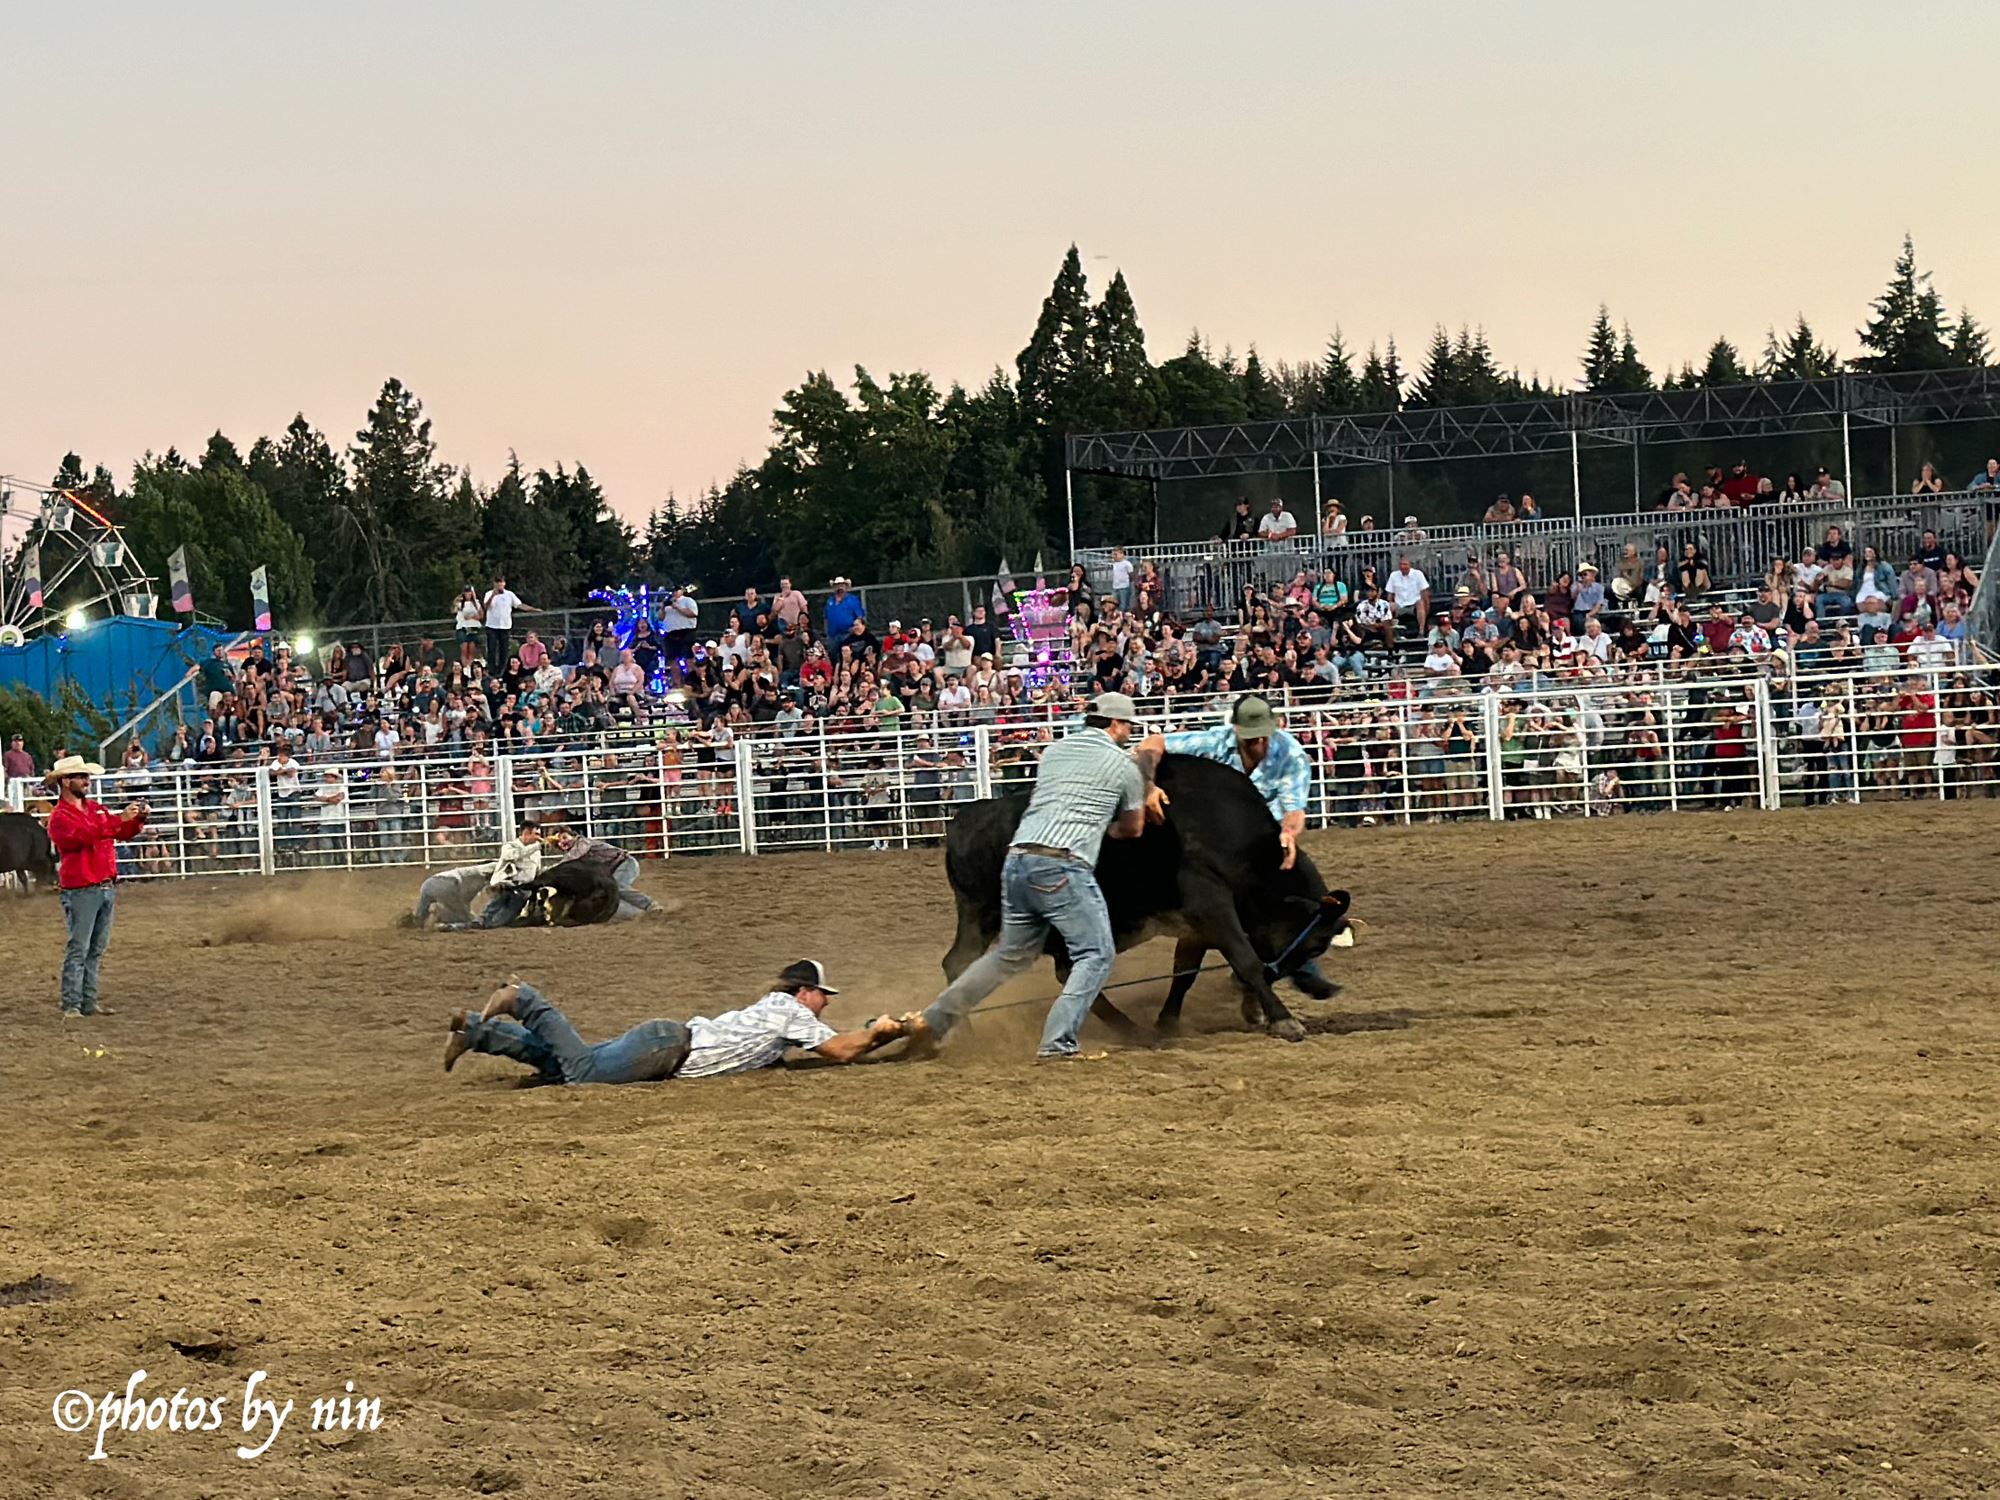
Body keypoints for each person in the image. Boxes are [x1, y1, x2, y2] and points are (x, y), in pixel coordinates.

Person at [906, 692, 1154, 1062]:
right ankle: (1058, 1042)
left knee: (1007, 956)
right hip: (1064, 864)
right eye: (1127, 726)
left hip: (1018, 859)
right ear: (1117, 724)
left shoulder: (1054, 752)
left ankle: (935, 1020)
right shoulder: (1123, 765)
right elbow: (1133, 829)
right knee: (1096, 954)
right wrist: (1107, 829)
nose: (1128, 732)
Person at [443, 960, 905, 1084]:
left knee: (563, 1066)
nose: (825, 1004)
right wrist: (887, 1031)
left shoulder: (775, 1012)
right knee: (583, 1075)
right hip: (667, 1050)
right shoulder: (791, 1013)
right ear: (805, 992)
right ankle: (525, 1000)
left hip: (668, 1041)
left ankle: (480, 1032)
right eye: (823, 995)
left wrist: (879, 1032)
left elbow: (842, 1043)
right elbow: (841, 1049)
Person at [45, 755, 148, 1018]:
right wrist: (119, 820)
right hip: (83, 888)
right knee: (81, 948)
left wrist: (136, 820)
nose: (86, 781)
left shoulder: (94, 811)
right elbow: (85, 836)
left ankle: (85, 1003)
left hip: (100, 885)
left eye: (85, 776)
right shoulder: (59, 818)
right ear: (66, 782)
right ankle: (73, 1003)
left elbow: (118, 832)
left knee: (93, 948)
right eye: (81, 777)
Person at [404, 861, 499, 931]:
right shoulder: (482, 873)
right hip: (448, 884)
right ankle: (441, 916)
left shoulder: (474, 876)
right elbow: (464, 901)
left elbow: (464, 901)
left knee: (419, 919)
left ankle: (410, 922)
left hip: (429, 884)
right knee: (468, 921)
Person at [481, 574, 535, 677]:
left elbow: (519, 605)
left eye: (501, 582)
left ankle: (501, 671)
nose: (499, 584)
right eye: (497, 582)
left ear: (504, 583)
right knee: (491, 649)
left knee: (504, 650)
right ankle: (492, 671)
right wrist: (494, 595)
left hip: (505, 627)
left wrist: (533, 609)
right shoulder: (489, 594)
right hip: (492, 626)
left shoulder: (509, 594)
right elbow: (486, 606)